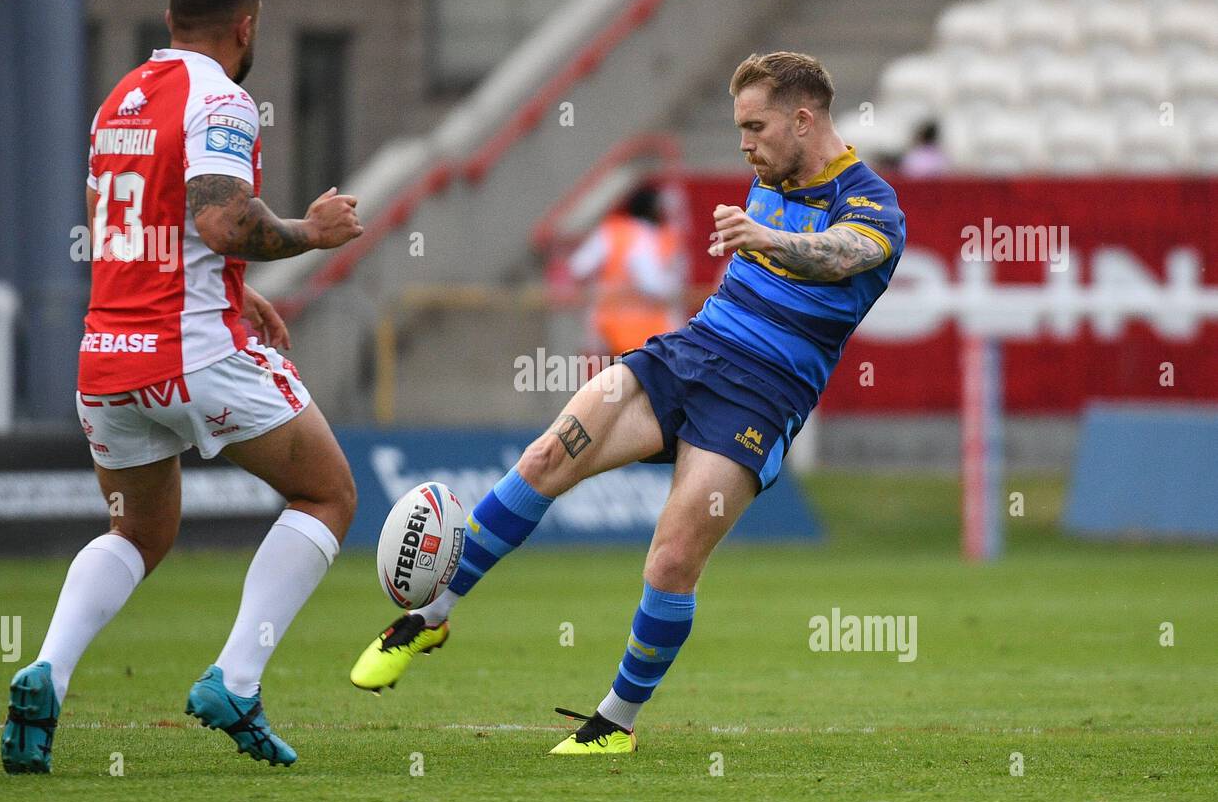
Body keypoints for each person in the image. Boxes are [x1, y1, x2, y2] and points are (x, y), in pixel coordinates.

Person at [350, 51, 906, 754]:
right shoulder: (771, 170)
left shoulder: (871, 203)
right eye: (739, 128)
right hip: (691, 352)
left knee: (672, 561)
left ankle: (614, 723)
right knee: (550, 453)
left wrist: (767, 237)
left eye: (756, 126)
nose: (744, 143)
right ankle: (430, 615)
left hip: (763, 396)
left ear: (803, 119)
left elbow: (842, 255)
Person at [1, 0, 363, 773]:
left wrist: (234, 295)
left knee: (138, 529)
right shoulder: (223, 97)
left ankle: (45, 674)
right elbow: (223, 221)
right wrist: (311, 230)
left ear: (170, 21)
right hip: (192, 354)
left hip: (106, 357)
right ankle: (235, 679)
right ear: (245, 28)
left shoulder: (118, 102)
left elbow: (143, 232)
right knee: (329, 493)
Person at [568, 185, 685, 356]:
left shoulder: (612, 231)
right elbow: (656, 285)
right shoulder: (654, 237)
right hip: (649, 334)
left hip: (609, 330)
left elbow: (578, 268)